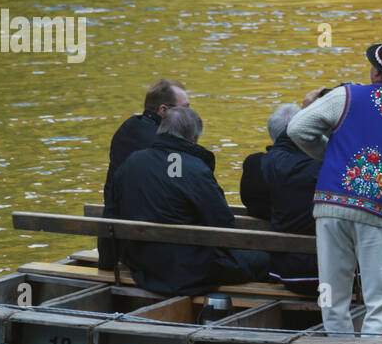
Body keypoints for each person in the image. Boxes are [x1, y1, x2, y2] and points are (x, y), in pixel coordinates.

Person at [286, 42, 382, 335]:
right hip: (381, 215)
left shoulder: (345, 95)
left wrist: (330, 154)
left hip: (330, 209)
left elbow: (296, 129)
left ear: (375, 70)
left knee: (332, 293)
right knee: (381, 300)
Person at [243, 100, 382, 291]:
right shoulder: (350, 168)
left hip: (290, 274)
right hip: (349, 275)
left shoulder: (264, 166)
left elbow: (258, 209)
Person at [105, 106, 271, 296]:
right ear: (193, 139)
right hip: (187, 270)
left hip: (141, 264)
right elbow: (223, 224)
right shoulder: (194, 168)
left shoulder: (132, 162)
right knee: (266, 259)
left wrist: (107, 262)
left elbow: (110, 213)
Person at [98, 79, 189, 270]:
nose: (190, 115)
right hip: (155, 250)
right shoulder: (168, 145)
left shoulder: (126, 130)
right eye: (185, 109)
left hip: (116, 246)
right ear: (163, 110)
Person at [239, 103, 320, 294]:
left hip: (281, 265)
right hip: (322, 266)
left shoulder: (258, 165)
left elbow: (255, 209)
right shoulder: (320, 165)